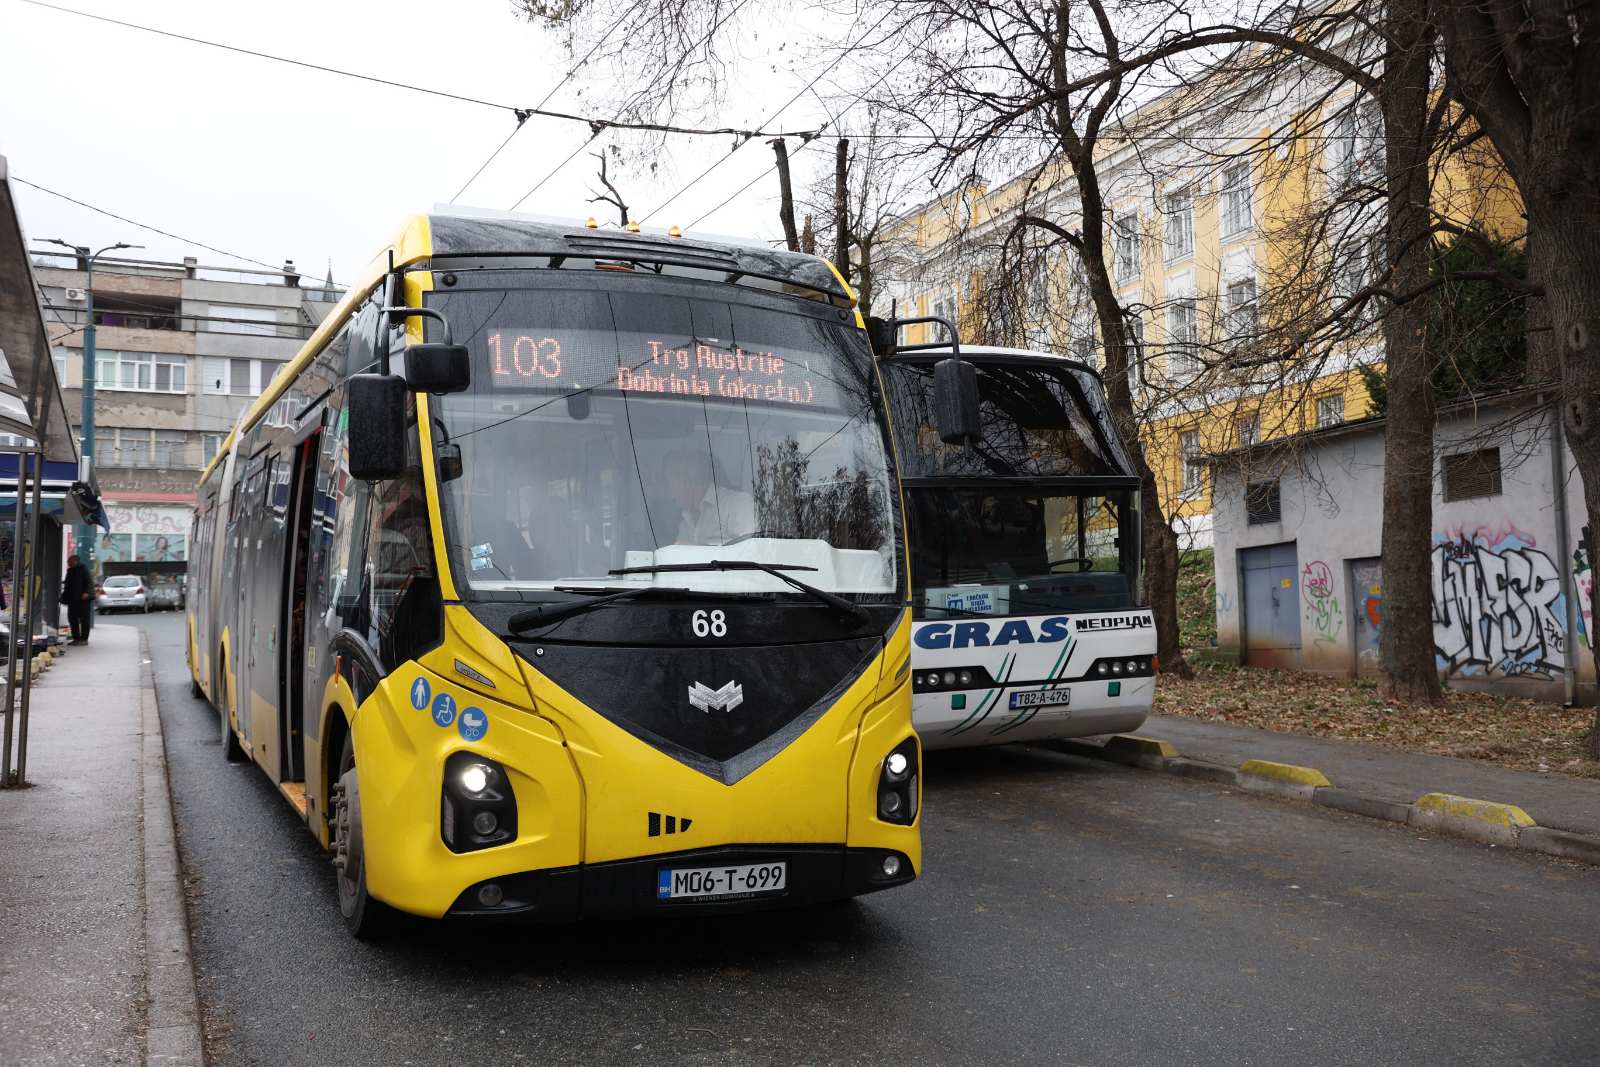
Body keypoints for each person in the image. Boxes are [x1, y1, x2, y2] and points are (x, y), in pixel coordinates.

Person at [663, 450, 757, 546]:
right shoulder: (685, 523)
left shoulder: (739, 504)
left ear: (687, 480)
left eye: (669, 484)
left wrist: (695, 550)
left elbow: (750, 551)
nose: (670, 494)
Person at [60, 554, 93, 645]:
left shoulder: (83, 569)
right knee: (72, 618)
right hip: (72, 599)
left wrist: (86, 592)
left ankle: (84, 639)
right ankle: (76, 638)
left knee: (84, 619)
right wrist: (64, 597)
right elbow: (68, 585)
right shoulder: (70, 570)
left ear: (75, 561)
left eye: (69, 562)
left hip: (83, 599)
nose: (68, 563)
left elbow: (88, 581)